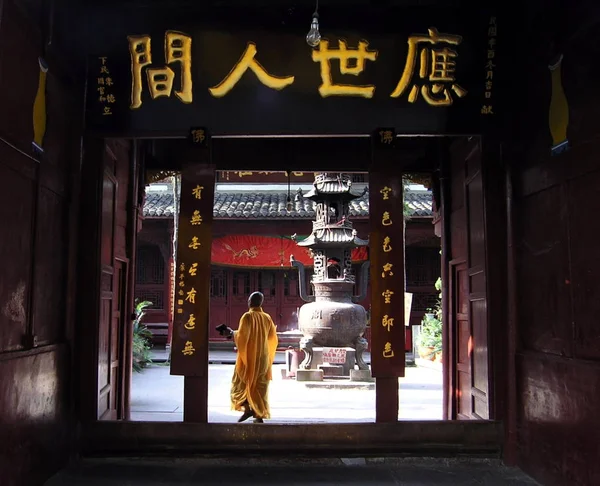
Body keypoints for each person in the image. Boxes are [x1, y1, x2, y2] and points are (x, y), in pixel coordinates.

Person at [223, 291, 278, 423]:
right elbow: (273, 339)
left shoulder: (247, 316)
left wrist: (232, 333)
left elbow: (242, 337)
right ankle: (259, 415)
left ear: (250, 302)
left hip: (249, 358)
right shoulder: (267, 318)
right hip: (263, 358)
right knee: (260, 387)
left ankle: (248, 409)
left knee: (241, 383)